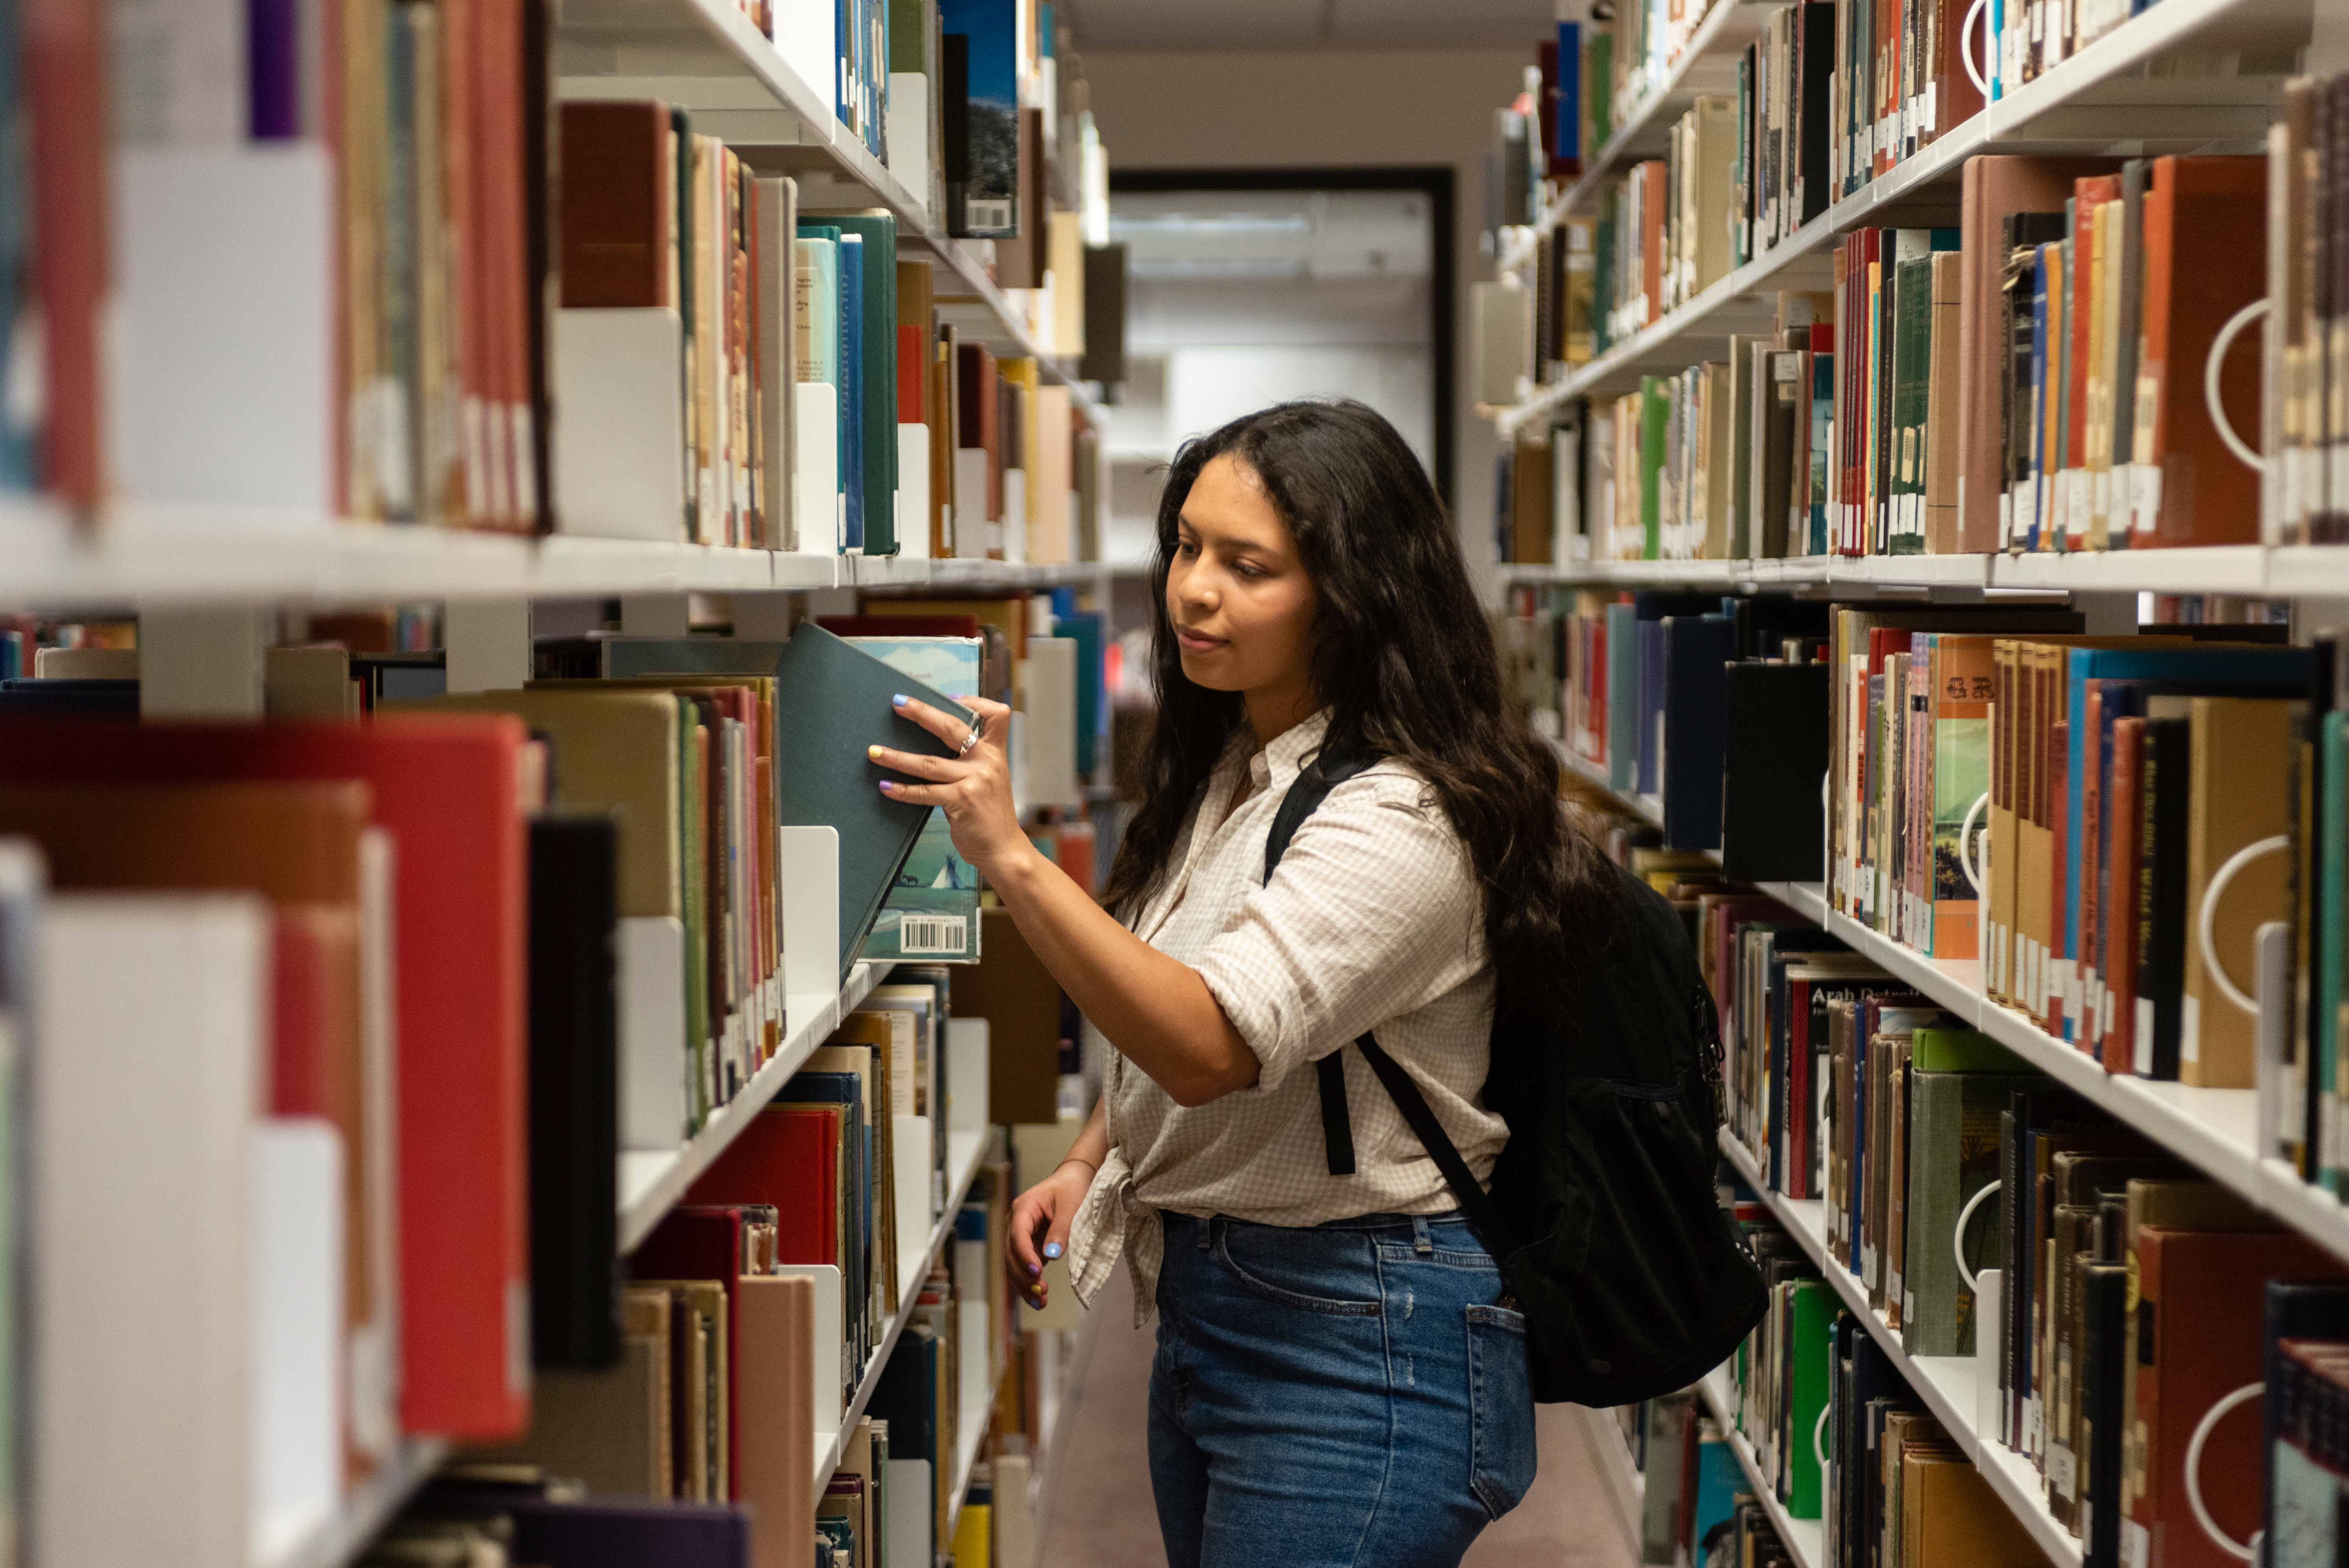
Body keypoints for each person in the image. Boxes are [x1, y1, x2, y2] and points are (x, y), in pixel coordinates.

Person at [866, 398, 1617, 1568]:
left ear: (1354, 595)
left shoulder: (1402, 816)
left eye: (1247, 567)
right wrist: (1093, 1158)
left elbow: (1209, 1044)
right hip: (1218, 1300)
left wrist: (1009, 856)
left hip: (1359, 1331)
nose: (1192, 592)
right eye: (1186, 547)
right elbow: (1174, 984)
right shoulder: (1239, 761)